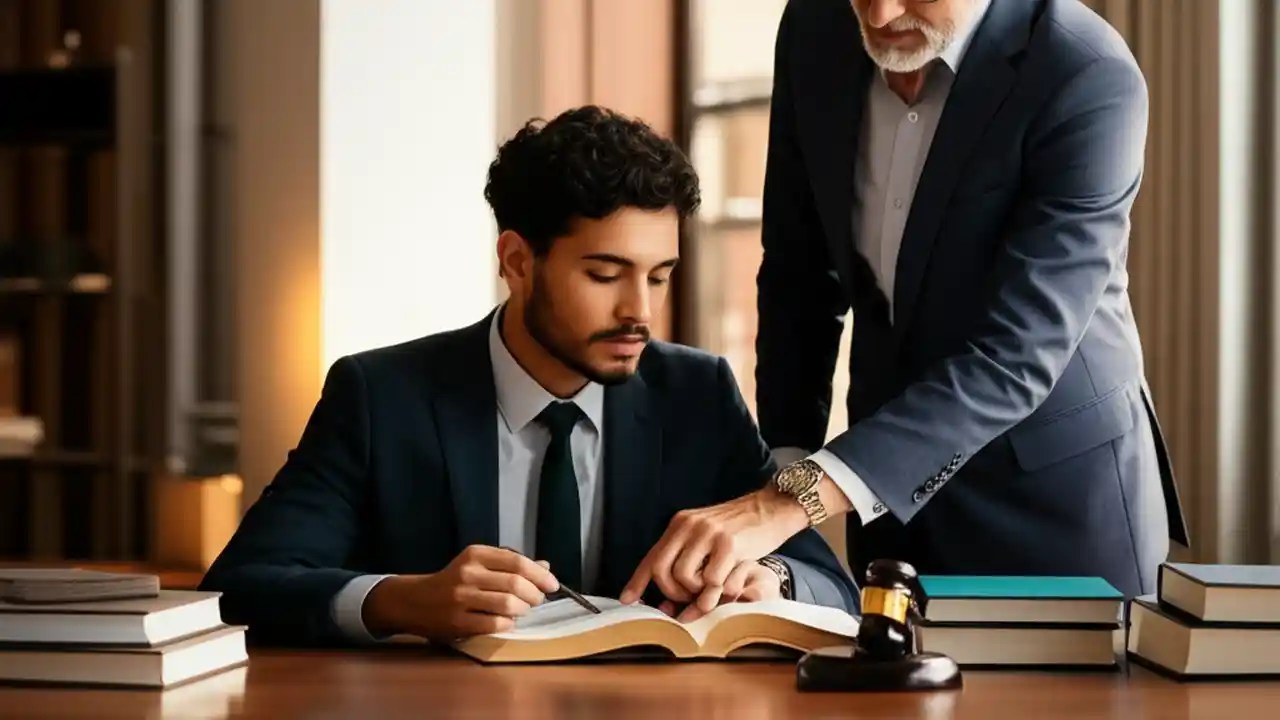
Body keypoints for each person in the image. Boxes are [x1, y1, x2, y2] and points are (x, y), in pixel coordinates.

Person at [200, 106, 856, 645]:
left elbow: (833, 586)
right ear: (517, 262)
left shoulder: (699, 394)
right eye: (605, 276)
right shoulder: (381, 397)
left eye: (658, 276)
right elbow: (240, 586)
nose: (640, 312)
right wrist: (401, 600)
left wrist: (770, 579)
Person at [621, 0, 1189, 614]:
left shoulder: (1084, 72)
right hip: (883, 503)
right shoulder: (816, 27)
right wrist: (781, 480)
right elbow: (799, 273)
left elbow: (1015, 356)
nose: (882, 11)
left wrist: (790, 501)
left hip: (1051, 506)